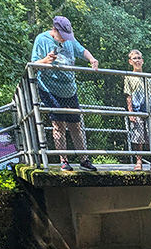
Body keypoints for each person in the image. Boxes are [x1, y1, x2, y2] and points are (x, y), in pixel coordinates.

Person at [30, 15, 99, 171]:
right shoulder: (41, 40)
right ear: (54, 29)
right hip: (50, 89)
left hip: (69, 89)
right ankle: (64, 161)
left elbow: (82, 50)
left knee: (76, 125)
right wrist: (45, 61)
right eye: (62, 35)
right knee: (58, 125)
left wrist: (92, 59)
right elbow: (33, 64)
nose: (65, 39)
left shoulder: (69, 40)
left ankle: (84, 160)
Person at [124, 50, 151, 170]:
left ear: (143, 60)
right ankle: (139, 161)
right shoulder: (129, 77)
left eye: (139, 58)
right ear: (130, 62)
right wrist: (130, 113)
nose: (137, 60)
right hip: (137, 111)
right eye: (134, 58)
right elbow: (128, 96)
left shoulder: (148, 79)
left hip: (149, 111)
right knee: (138, 137)